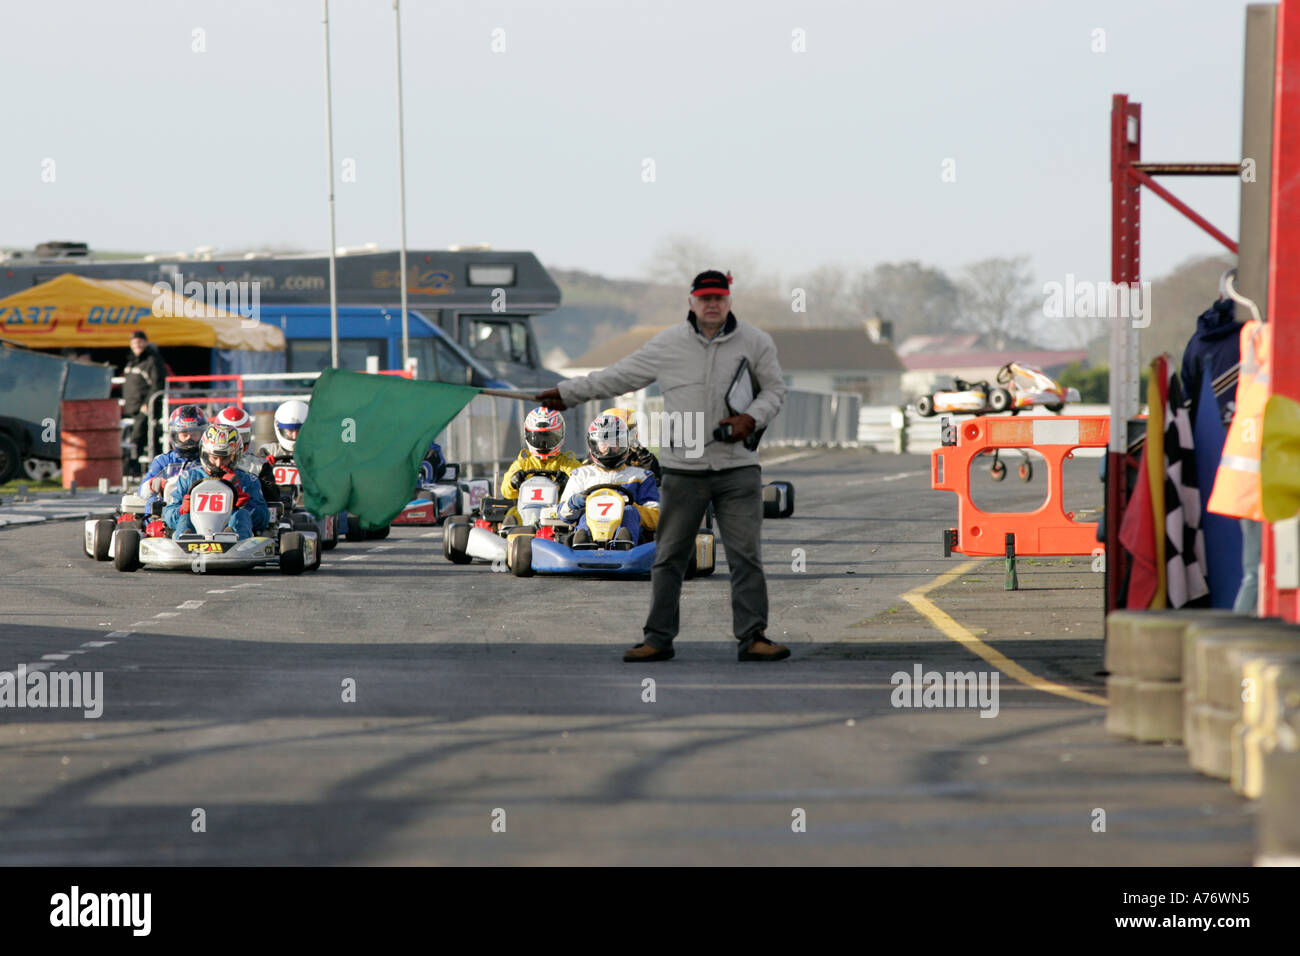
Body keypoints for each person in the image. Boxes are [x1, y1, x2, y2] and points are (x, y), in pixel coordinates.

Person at [538, 269, 789, 662]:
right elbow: (617, 377)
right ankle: (658, 639)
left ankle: (754, 636)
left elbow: (775, 390)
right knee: (669, 555)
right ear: (691, 302)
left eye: (718, 298)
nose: (711, 304)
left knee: (745, 555)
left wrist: (751, 418)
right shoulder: (669, 344)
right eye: (704, 298)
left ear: (728, 301)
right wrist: (567, 393)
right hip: (684, 471)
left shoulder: (755, 343)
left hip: (738, 468)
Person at [558, 415, 659, 545]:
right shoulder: (581, 474)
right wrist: (573, 503)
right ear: (593, 444)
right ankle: (584, 543)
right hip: (590, 537)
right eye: (604, 443)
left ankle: (623, 543)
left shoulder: (641, 476)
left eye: (615, 443)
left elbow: (656, 517)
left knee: (629, 512)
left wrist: (625, 506)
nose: (609, 449)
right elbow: (562, 514)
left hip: (632, 541)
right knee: (587, 511)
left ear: (625, 443)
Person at [164, 423, 269, 540]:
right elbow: (168, 515)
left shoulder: (248, 480)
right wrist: (181, 510)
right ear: (205, 454)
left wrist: (246, 505)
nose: (219, 464)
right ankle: (184, 541)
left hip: (233, 543)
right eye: (214, 457)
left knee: (241, 514)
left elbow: (263, 520)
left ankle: (233, 538)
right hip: (195, 537)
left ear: (235, 456)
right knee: (185, 518)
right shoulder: (188, 477)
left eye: (225, 458)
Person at [499, 407, 583, 505]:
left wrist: (568, 484)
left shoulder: (568, 465)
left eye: (549, 437)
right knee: (512, 514)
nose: (543, 443)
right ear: (528, 435)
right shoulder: (523, 464)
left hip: (558, 515)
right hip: (527, 513)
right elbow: (505, 491)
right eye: (538, 438)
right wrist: (513, 482)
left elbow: (583, 489)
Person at [138, 405, 208, 510]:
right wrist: (153, 484)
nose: (189, 439)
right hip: (168, 512)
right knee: (153, 501)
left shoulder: (208, 461)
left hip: (200, 510)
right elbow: (142, 492)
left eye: (194, 434)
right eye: (184, 435)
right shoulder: (163, 461)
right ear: (175, 435)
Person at [121, 330, 168, 476]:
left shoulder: (152, 360)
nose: (137, 345)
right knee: (134, 440)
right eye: (134, 342)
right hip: (131, 409)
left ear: (146, 342)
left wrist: (148, 403)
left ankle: (131, 472)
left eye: (140, 342)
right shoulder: (132, 361)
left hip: (146, 409)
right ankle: (138, 471)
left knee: (141, 440)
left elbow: (157, 384)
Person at [214, 405, 280, 506]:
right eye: (230, 438)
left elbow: (272, 499)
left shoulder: (259, 465)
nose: (237, 444)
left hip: (248, 513)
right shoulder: (207, 464)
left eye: (241, 437)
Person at [602, 407, 662, 481]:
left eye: (631, 429)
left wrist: (642, 454)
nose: (629, 434)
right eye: (624, 430)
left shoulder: (640, 457)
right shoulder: (597, 458)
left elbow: (655, 480)